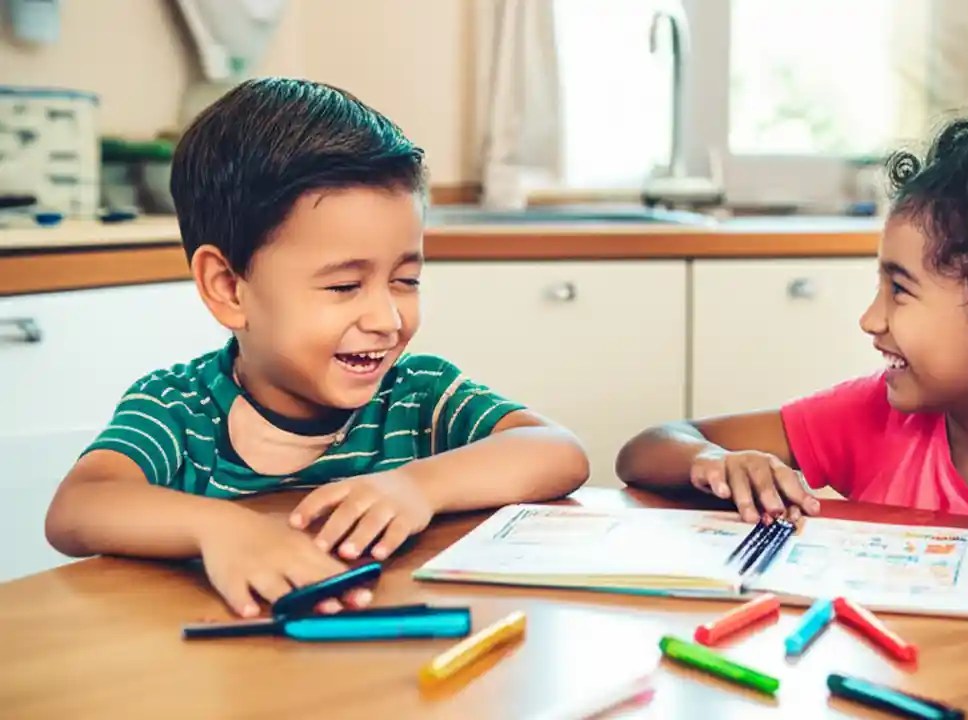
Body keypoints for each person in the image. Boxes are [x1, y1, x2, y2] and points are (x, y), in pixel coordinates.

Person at [44, 78, 589, 618]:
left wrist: (418, 487)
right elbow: (77, 507)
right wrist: (220, 527)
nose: (387, 319)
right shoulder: (176, 410)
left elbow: (557, 451)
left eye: (405, 279)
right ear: (229, 288)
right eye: (344, 287)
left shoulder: (418, 397)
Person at [617, 98, 968, 539]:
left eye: (900, 289)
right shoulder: (872, 418)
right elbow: (646, 450)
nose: (871, 320)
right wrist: (712, 462)